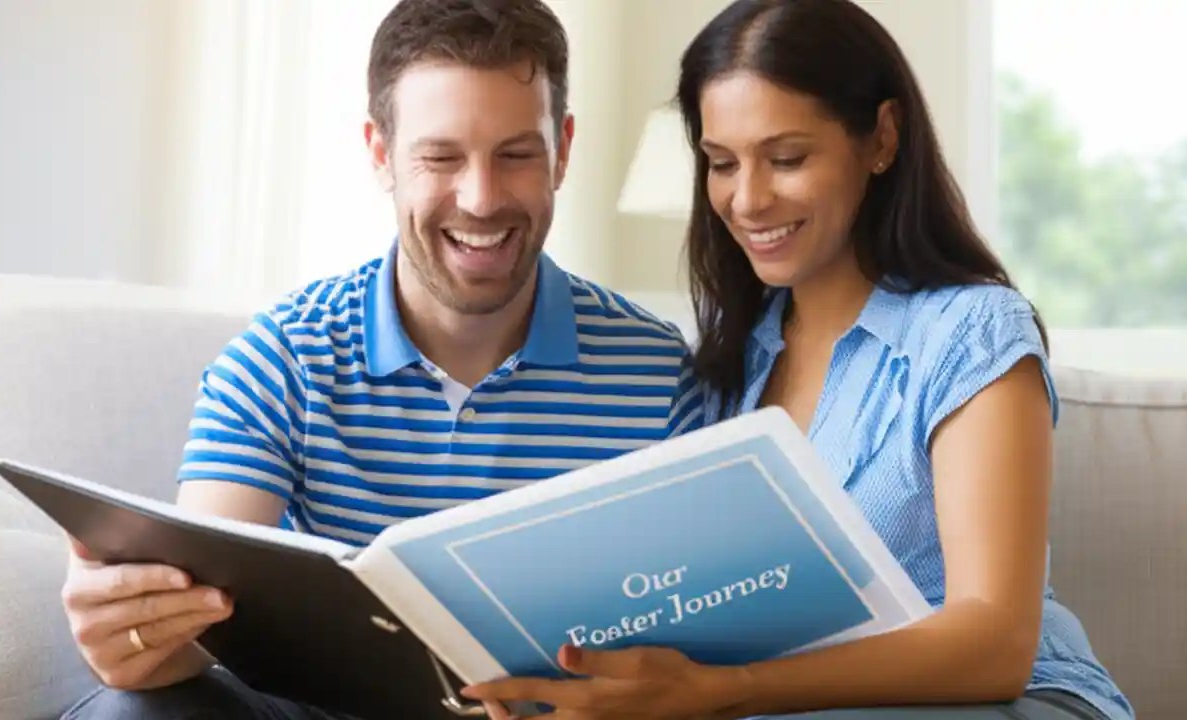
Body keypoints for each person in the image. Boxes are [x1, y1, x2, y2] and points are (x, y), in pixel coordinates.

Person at [459, 1, 1135, 719]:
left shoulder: (970, 333)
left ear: (880, 138)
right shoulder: (730, 365)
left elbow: (994, 643)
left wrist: (725, 691)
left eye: (786, 158)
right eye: (721, 163)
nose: (747, 200)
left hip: (1014, 700)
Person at [58, 1, 703, 718]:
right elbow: (198, 623)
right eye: (440, 157)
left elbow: (699, 635)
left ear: (563, 152)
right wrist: (137, 639)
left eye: (516, 154)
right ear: (379, 154)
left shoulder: (660, 375)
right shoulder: (282, 359)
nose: (481, 198)